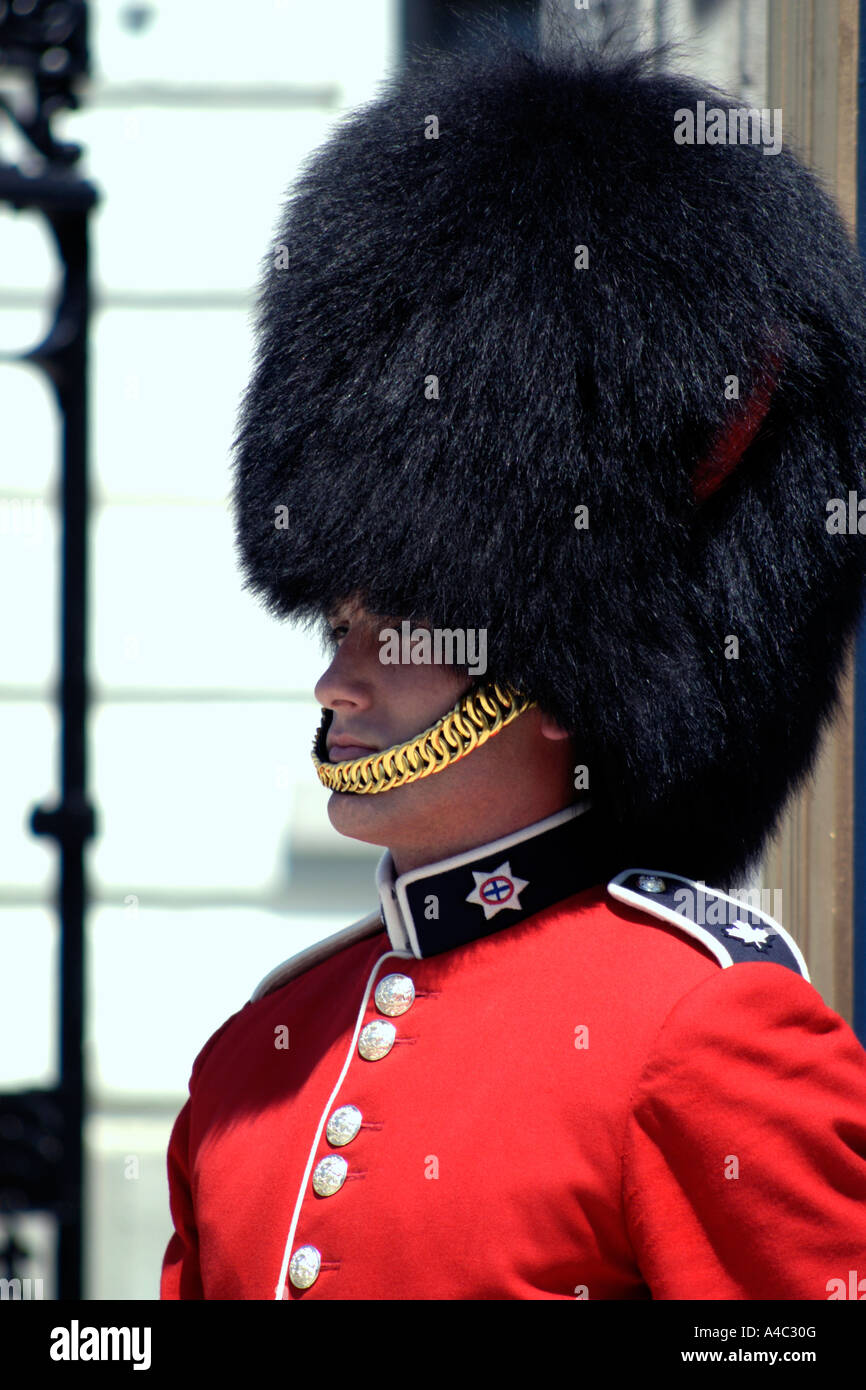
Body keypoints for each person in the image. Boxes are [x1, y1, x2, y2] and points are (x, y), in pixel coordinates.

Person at [161, 27, 866, 1299]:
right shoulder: (262, 1052)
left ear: (552, 677)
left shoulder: (701, 1034)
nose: (338, 681)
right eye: (337, 629)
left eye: (397, 634)